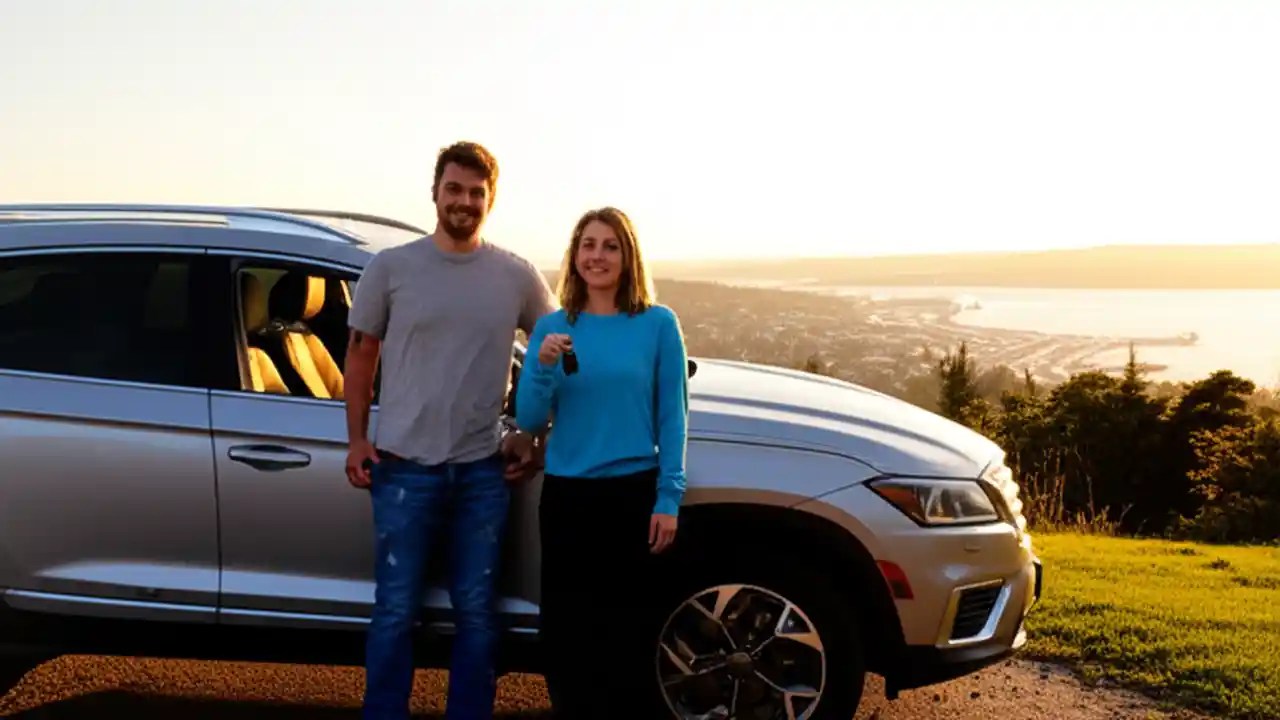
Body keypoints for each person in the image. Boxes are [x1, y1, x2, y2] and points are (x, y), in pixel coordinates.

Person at [343, 140, 557, 720]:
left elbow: (559, 354)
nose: (464, 201)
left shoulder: (515, 276)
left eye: (475, 193)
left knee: (478, 615)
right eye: (454, 189)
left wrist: (533, 435)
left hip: (483, 473)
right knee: (394, 611)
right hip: (402, 468)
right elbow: (361, 356)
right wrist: (357, 439)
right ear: (434, 192)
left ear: (491, 199)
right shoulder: (392, 268)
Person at [514, 206, 690, 719]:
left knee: (629, 633)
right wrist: (542, 365)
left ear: (627, 255)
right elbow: (528, 418)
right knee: (567, 636)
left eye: (609, 245)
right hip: (568, 498)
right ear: (575, 256)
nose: (598, 256)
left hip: (633, 495)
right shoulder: (552, 327)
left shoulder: (658, 325)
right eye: (588, 245)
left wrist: (669, 497)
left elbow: (672, 418)